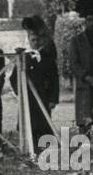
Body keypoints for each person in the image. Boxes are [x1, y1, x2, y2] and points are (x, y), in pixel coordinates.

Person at [13, 15, 59, 153]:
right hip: (28, 96)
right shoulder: (25, 56)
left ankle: (46, 147)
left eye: (35, 37)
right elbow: (14, 78)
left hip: (43, 93)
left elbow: (54, 78)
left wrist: (53, 98)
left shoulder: (48, 47)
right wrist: (20, 92)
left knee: (44, 120)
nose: (35, 40)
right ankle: (29, 148)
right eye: (31, 37)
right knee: (28, 121)